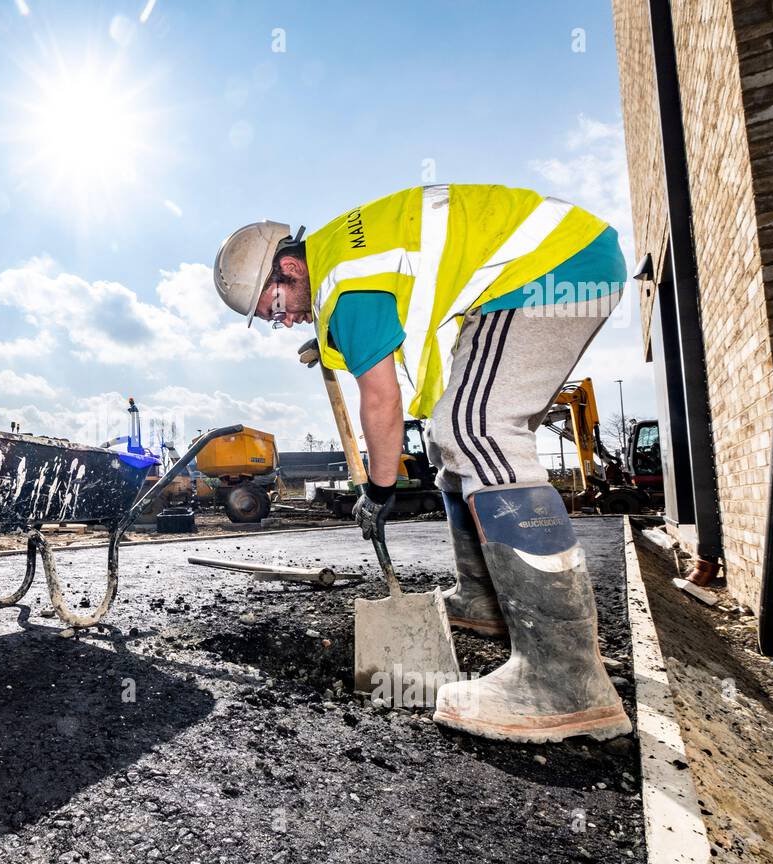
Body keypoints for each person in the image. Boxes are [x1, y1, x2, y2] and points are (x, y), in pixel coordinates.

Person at [212, 185, 631, 743]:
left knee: (478, 428)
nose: (284, 322)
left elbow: (381, 400)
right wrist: (336, 341)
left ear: (289, 268)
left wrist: (380, 492)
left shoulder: (345, 283)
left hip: (554, 266)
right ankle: (483, 600)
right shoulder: (346, 262)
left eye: (277, 308)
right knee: (447, 436)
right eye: (273, 320)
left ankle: (565, 680)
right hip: (531, 275)